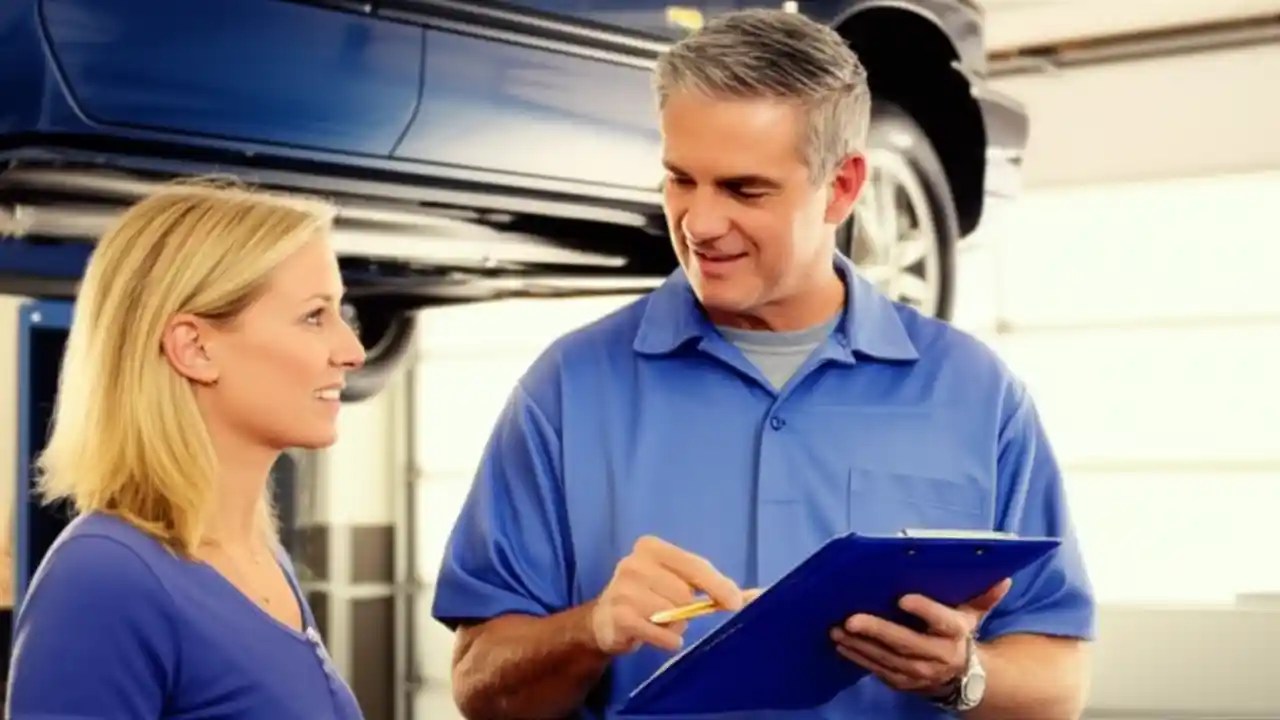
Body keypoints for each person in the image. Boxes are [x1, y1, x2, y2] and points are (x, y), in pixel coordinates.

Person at [432, 8, 1097, 720]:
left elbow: (1059, 683)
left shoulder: (974, 392)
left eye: (744, 190)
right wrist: (590, 629)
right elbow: (479, 686)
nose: (699, 223)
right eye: (681, 180)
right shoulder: (567, 389)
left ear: (842, 187)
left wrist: (961, 673)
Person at [6, 181, 367, 719]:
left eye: (342, 313)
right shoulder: (104, 578)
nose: (354, 352)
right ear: (194, 348)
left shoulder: (260, 558)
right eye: (315, 316)